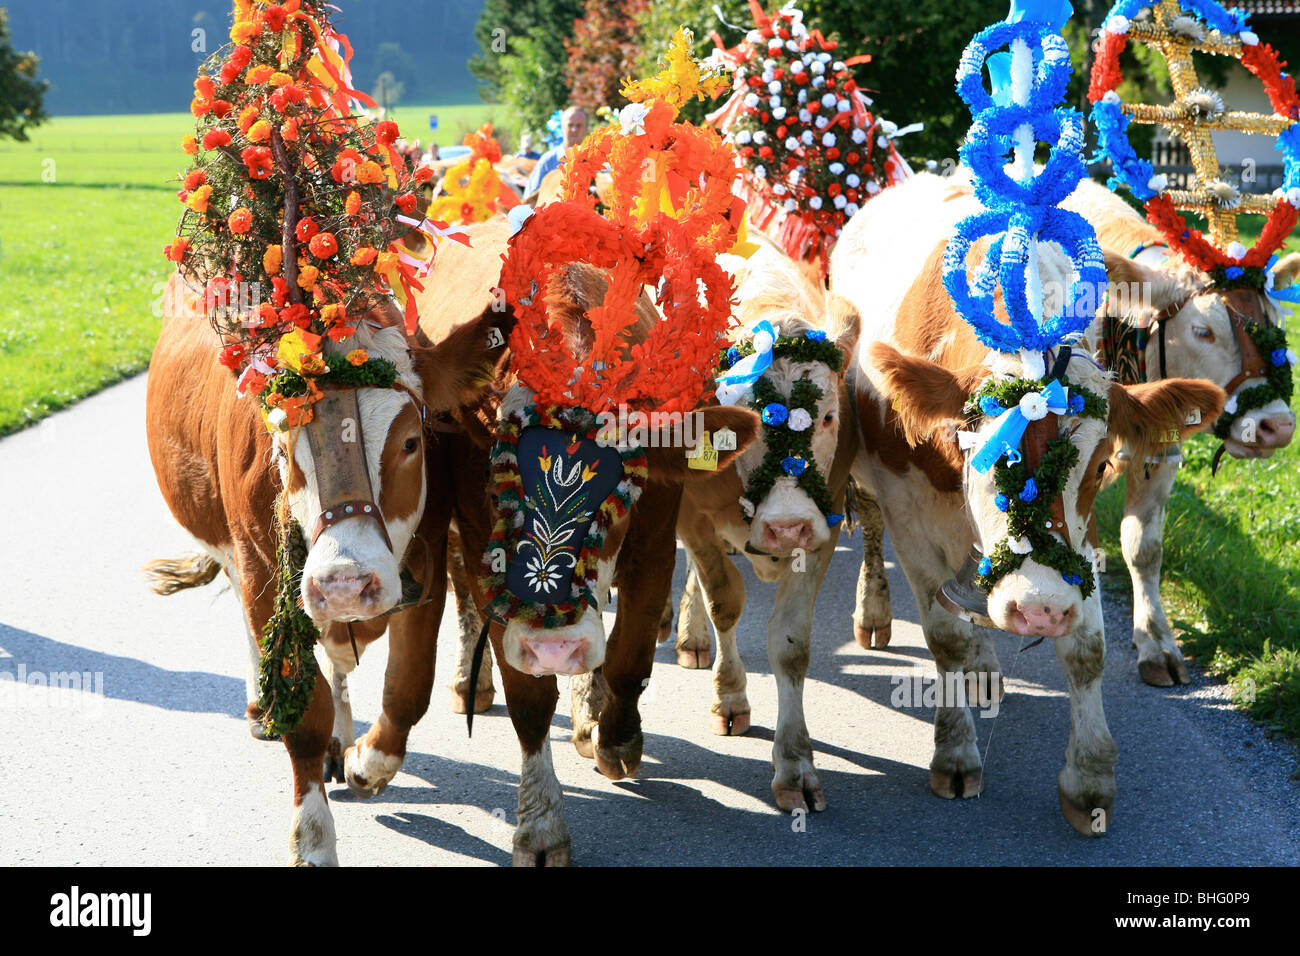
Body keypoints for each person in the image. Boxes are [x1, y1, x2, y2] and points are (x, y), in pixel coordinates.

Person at [526, 106, 588, 194]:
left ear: (586, 128)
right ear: (562, 127)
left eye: (579, 126)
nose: (574, 129)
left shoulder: (595, 161)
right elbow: (530, 197)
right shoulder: (548, 161)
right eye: (570, 125)